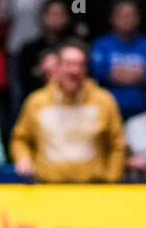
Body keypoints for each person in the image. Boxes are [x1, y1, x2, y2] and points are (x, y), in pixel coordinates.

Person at [11, 39, 126, 182]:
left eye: (80, 64)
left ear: (86, 69)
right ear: (57, 67)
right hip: (47, 188)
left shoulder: (104, 101)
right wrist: (23, 159)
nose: (74, 71)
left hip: (93, 190)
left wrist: (111, 180)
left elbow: (117, 145)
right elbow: (20, 139)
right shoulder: (37, 101)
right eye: (69, 64)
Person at [90, 0, 146, 118]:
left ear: (138, 18)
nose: (127, 19)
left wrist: (118, 73)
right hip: (107, 112)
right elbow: (100, 74)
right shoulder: (101, 44)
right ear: (112, 18)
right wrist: (135, 74)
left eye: (131, 15)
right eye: (122, 15)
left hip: (143, 112)